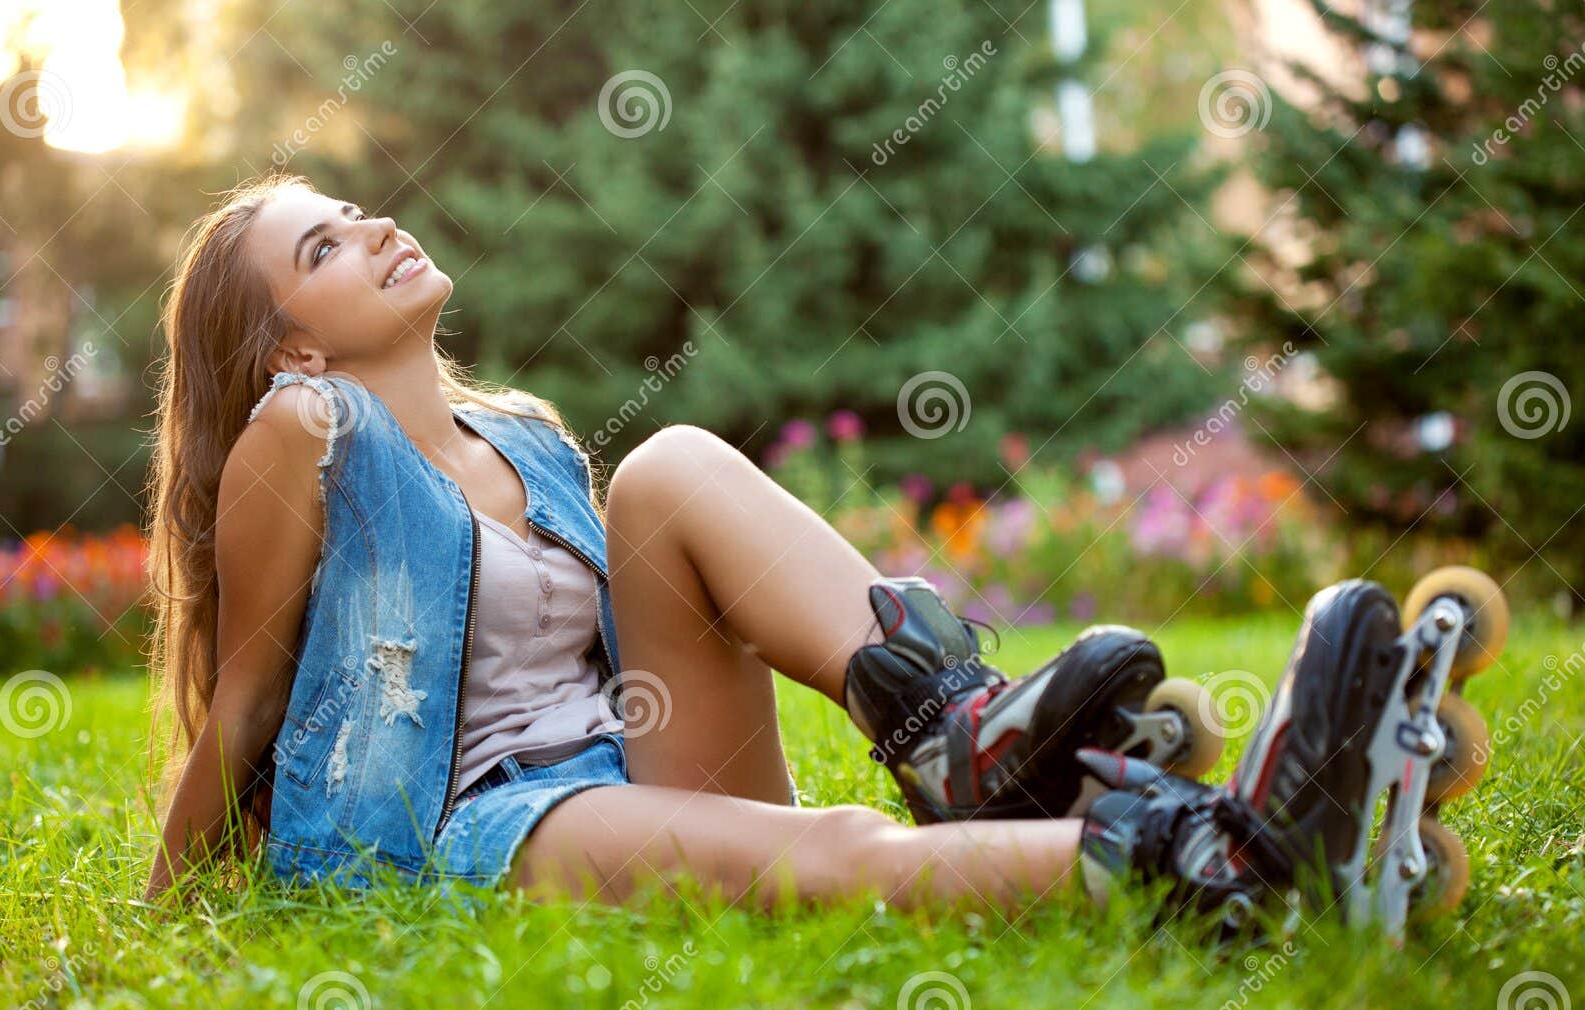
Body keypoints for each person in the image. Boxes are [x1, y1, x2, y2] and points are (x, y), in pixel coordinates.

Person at [137, 173, 1340, 935]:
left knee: (667, 465)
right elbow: (245, 702)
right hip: (484, 824)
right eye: (323, 250)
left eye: (352, 214)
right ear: (292, 351)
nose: (374, 230)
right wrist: (160, 924)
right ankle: (1214, 849)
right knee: (837, 848)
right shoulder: (304, 428)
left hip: (629, 759)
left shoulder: (526, 437)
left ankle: (954, 728)